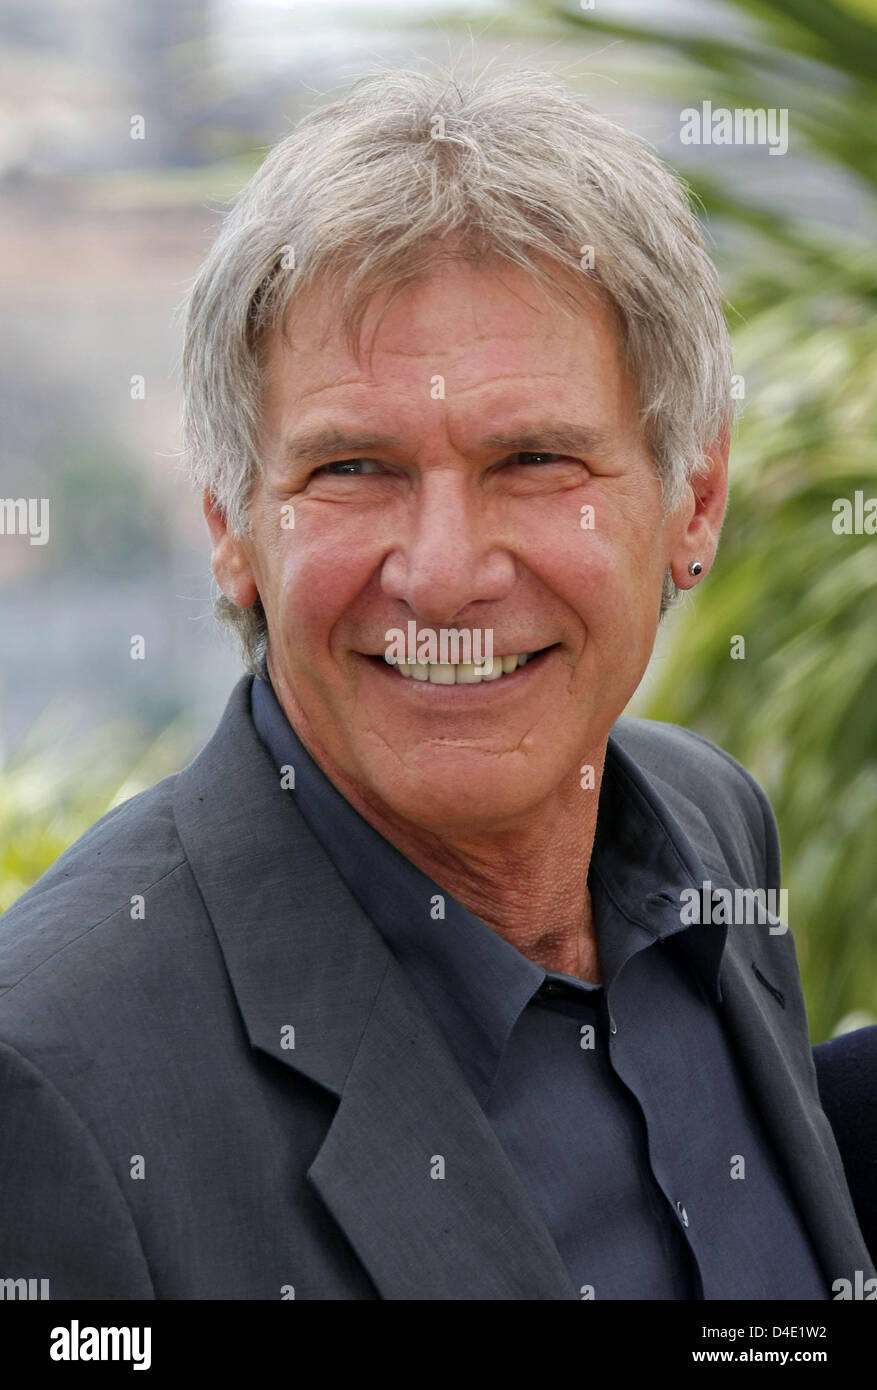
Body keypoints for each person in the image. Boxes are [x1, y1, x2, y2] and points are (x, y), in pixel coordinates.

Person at [0, 65, 871, 1300]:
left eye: (531, 459)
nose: (445, 572)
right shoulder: (55, 1087)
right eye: (353, 468)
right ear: (232, 525)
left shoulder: (706, 827)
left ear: (696, 497)